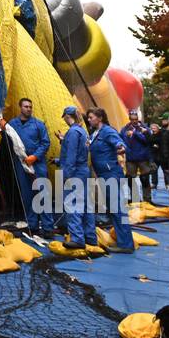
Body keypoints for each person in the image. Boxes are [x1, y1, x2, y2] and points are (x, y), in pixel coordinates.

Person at [86, 108, 134, 252]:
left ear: (100, 118)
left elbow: (120, 143)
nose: (89, 120)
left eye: (91, 117)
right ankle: (122, 240)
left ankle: (126, 244)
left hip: (111, 174)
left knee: (118, 209)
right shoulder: (95, 134)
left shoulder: (107, 131)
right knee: (113, 209)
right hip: (103, 175)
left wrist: (120, 147)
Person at [8, 98, 56, 236]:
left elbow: (45, 143)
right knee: (27, 195)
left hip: (37, 164)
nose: (28, 109)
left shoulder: (38, 124)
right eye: (26, 106)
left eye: (30, 107)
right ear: (20, 107)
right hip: (21, 163)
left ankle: (48, 227)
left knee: (43, 195)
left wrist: (35, 156)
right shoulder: (13, 124)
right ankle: (32, 225)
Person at [58, 106, 96, 251]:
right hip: (83, 171)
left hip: (74, 172)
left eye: (65, 118)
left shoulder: (73, 132)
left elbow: (71, 156)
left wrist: (67, 175)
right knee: (85, 205)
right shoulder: (82, 131)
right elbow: (80, 152)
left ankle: (77, 239)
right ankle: (90, 237)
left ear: (68, 116)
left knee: (72, 203)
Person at [120, 109, 155, 204]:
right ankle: (135, 197)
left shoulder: (144, 128)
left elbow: (148, 141)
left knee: (145, 179)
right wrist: (122, 148)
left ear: (138, 118)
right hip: (130, 158)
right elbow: (120, 139)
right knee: (130, 179)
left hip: (143, 158)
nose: (134, 121)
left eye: (135, 119)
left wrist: (135, 133)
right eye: (132, 119)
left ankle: (147, 199)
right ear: (129, 119)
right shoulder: (124, 129)